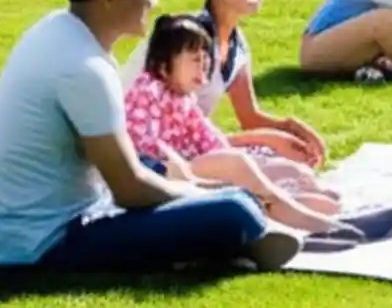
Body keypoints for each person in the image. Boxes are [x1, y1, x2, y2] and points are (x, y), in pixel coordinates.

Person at [0, 0, 301, 271]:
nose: (154, 0)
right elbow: (129, 189)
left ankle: (216, 244)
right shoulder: (84, 67)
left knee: (165, 170)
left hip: (39, 220)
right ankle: (222, 242)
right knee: (236, 208)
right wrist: (208, 193)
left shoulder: (57, 31)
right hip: (53, 240)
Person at [125, 14, 371, 239]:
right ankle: (322, 226)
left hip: (192, 166)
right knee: (239, 166)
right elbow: (144, 146)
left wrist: (256, 159)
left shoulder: (184, 98)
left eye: (205, 58)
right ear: (163, 65)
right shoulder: (148, 90)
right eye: (195, 59)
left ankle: (324, 214)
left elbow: (210, 139)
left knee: (284, 171)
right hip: (169, 173)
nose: (204, 65)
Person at [121, 0, 328, 167]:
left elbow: (250, 118)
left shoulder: (237, 45)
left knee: (290, 159)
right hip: (152, 154)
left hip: (192, 145)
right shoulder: (183, 39)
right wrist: (269, 139)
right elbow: (163, 129)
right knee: (275, 165)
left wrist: (293, 129)